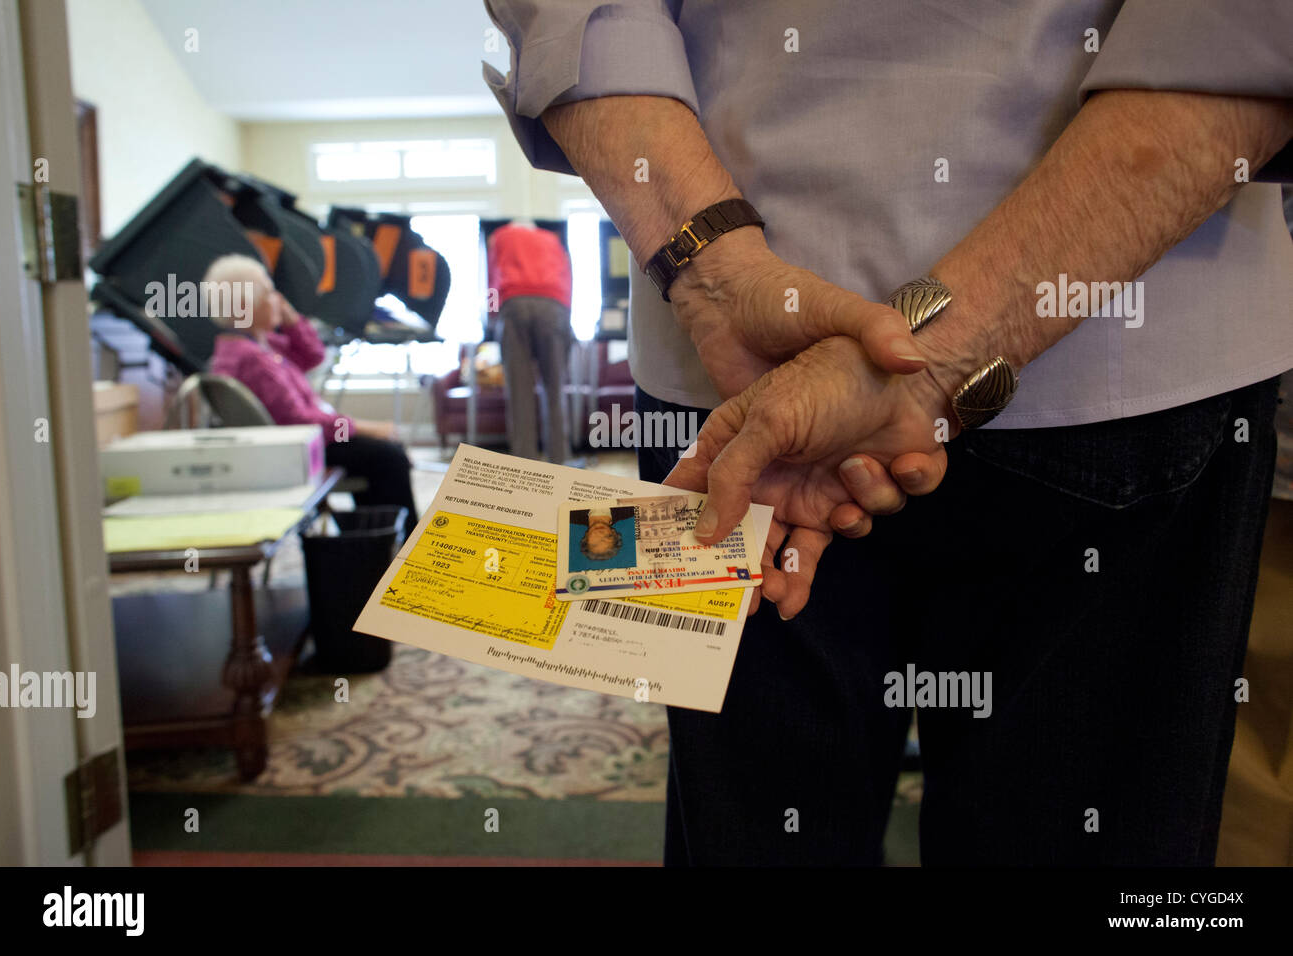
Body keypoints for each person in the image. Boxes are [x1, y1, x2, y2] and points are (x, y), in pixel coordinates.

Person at [483, 0, 1293, 865]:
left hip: (731, 381)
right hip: (1118, 346)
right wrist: (933, 359)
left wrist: (719, 275)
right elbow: (1247, 29)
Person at [204, 255, 417, 524]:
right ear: (247, 305)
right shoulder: (251, 358)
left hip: (302, 440)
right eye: (270, 292)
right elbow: (299, 420)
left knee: (382, 451)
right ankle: (398, 546)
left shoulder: (258, 344)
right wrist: (365, 426)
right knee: (389, 456)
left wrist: (292, 320)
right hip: (295, 448)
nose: (279, 299)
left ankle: (377, 541)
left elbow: (313, 355)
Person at [487, 220, 574, 463]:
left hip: (514, 303)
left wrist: (493, 317)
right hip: (554, 306)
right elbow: (567, 278)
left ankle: (524, 465)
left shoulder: (499, 237)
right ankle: (560, 462)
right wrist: (565, 316)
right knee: (555, 390)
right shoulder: (552, 240)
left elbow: (493, 280)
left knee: (519, 393)